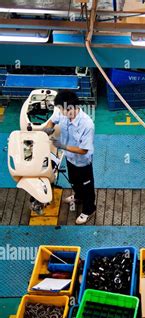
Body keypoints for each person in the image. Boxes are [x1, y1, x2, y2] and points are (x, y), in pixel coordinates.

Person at [43, 90, 96, 225]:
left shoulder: (87, 124)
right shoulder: (61, 111)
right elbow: (52, 121)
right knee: (73, 180)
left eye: (63, 110)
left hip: (83, 162)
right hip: (69, 158)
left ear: (72, 107)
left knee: (87, 187)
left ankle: (89, 209)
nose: (61, 113)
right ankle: (78, 197)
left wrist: (63, 146)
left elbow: (84, 150)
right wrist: (48, 129)